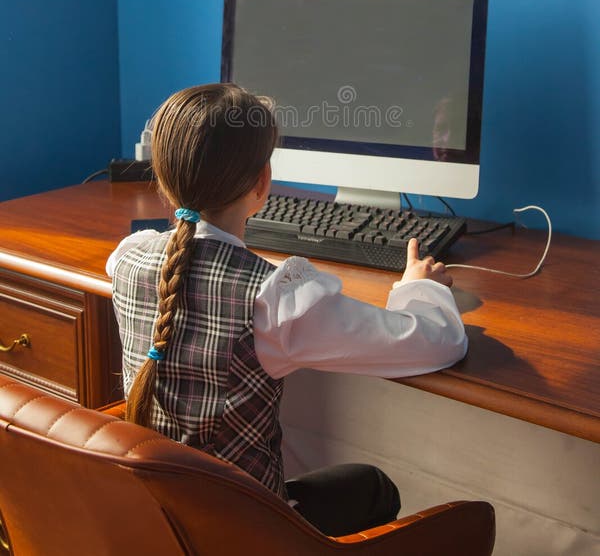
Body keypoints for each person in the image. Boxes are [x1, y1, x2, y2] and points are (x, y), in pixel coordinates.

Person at [106, 83, 467, 536]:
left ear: (161, 180)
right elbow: (439, 342)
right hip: (250, 532)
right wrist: (417, 287)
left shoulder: (127, 259)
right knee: (374, 488)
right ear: (262, 183)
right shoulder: (273, 298)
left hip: (161, 521)